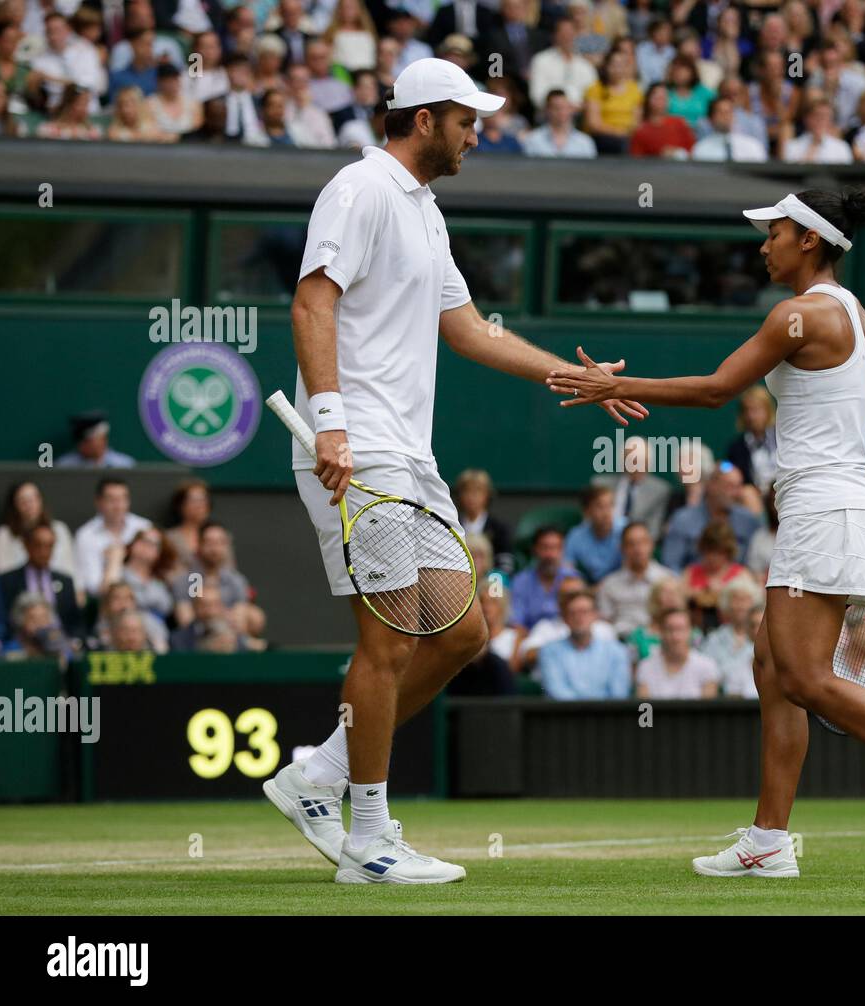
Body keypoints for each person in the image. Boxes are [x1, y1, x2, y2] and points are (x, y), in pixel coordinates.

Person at [262, 58, 645, 887]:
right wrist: (331, 425)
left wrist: (569, 376)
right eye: (468, 120)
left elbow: (469, 329)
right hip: (359, 447)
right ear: (426, 118)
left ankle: (317, 773)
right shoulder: (359, 189)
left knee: (463, 632)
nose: (479, 133)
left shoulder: (425, 212)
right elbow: (311, 302)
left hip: (408, 453)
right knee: (391, 636)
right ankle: (368, 838)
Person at [546, 185, 865, 880]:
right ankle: (769, 841)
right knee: (772, 671)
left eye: (774, 232)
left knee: (808, 677)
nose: (764, 243)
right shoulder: (859, 316)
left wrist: (611, 387)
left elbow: (718, 390)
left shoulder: (799, 316)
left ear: (807, 239)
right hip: (837, 510)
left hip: (820, 513)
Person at [536, 588, 632, 699]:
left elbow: (619, 694)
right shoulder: (549, 651)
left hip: (607, 715)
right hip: (564, 715)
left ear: (595, 615)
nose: (579, 617)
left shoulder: (617, 651)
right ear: (565, 618)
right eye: (573, 613)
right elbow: (557, 692)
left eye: (584, 612)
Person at [0, 521, 82, 643]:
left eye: (49, 546)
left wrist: (74, 643)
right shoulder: (7, 581)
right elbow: (3, 622)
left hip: (60, 647)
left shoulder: (65, 581)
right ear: (27, 545)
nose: (44, 552)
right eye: (38, 545)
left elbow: (75, 624)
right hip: (21, 648)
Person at [596, 521, 671, 638]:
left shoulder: (667, 579)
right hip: (621, 641)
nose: (638, 549)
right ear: (622, 548)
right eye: (631, 544)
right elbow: (605, 622)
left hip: (658, 641)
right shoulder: (609, 584)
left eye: (642, 542)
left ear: (651, 544)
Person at [0, 481, 76, 581]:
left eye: (33, 499)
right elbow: (3, 575)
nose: (29, 505)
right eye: (23, 501)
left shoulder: (59, 529)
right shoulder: (4, 534)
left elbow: (70, 571)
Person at [635, 606, 721, 698]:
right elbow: (644, 710)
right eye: (670, 629)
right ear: (661, 632)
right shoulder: (646, 667)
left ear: (690, 631)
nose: (675, 636)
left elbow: (708, 710)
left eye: (680, 629)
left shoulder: (707, 666)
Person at [699, 577, 763, 698]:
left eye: (745, 600)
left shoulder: (763, 638)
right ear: (726, 604)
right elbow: (705, 672)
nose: (740, 605)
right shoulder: (714, 638)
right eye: (735, 599)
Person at [453, 469, 513, 576]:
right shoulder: (452, 526)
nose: (472, 496)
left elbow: (505, 566)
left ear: (487, 495)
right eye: (467, 491)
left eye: (478, 491)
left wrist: (491, 586)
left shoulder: (499, 529)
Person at [563, 484, 624, 584]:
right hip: (587, 589)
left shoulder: (626, 530)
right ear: (586, 511)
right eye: (600, 506)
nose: (606, 513)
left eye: (610, 505)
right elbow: (566, 569)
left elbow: (630, 571)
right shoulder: (575, 535)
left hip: (619, 587)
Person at [724, 386, 777, 494]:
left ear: (768, 410)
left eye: (756, 410)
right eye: (747, 411)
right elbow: (727, 468)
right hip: (754, 500)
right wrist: (723, 468)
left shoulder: (783, 438)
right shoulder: (736, 448)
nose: (751, 416)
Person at [58, 410, 136, 468]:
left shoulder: (124, 465)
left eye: (90, 441)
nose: (83, 445)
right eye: (84, 441)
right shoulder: (64, 466)